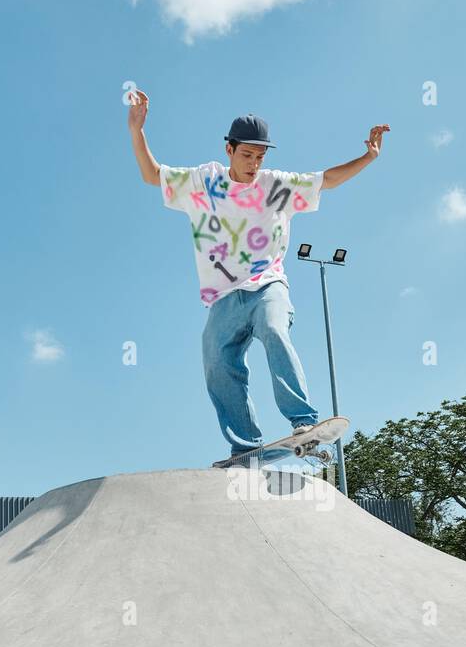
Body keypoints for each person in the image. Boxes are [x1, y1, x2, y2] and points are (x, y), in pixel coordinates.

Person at [128, 94, 389, 460]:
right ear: (229, 150)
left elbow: (327, 180)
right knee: (218, 364)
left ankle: (303, 423)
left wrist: (368, 157)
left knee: (274, 328)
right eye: (247, 155)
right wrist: (137, 131)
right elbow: (152, 175)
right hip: (222, 297)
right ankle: (245, 447)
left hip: (268, 283)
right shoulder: (205, 180)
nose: (254, 164)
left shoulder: (275, 185)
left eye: (260, 157)